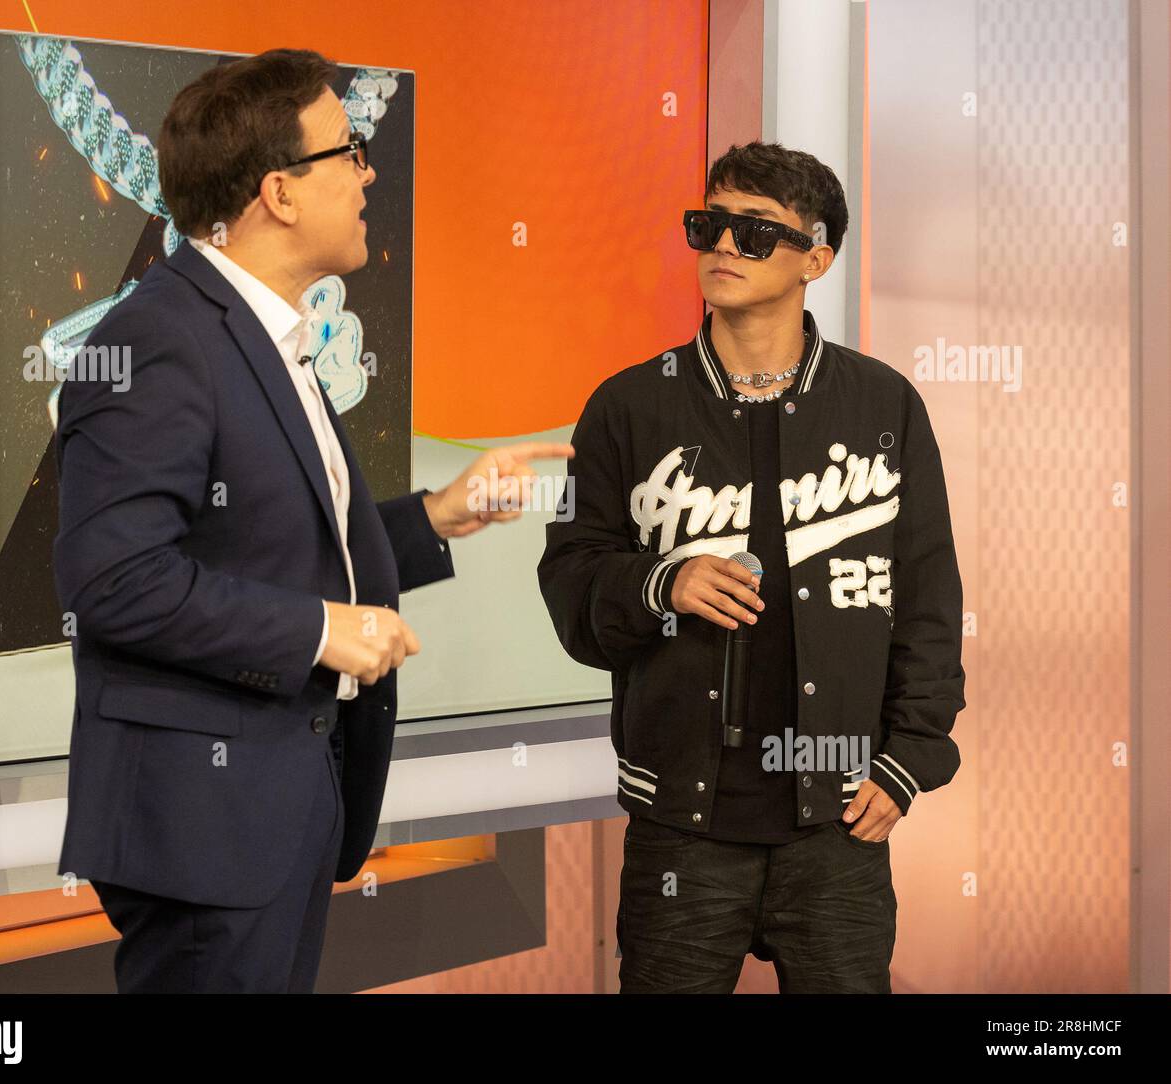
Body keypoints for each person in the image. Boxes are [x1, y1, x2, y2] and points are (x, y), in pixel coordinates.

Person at [53, 48, 571, 994]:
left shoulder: (260, 331)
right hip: (205, 828)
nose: (370, 174)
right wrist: (323, 632)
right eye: (351, 151)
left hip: (277, 806)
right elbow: (116, 582)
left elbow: (270, 541)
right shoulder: (156, 338)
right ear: (280, 194)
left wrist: (439, 518)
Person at [537, 140, 965, 993]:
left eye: (755, 232)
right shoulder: (624, 405)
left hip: (839, 826)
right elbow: (569, 581)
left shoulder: (886, 405)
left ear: (817, 256)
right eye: (710, 225)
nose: (724, 246)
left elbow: (926, 600)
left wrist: (910, 757)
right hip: (681, 833)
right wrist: (663, 582)